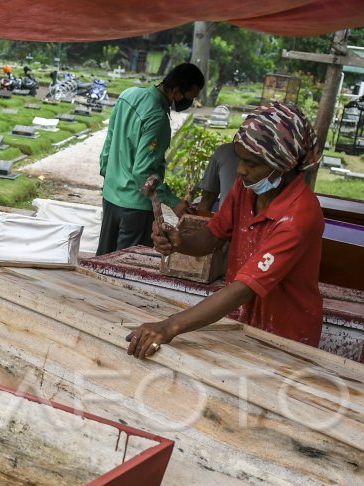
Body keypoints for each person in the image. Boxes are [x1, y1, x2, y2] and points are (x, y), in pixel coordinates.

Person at [126, 101, 325, 358]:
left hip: (286, 335)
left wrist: (168, 327)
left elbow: (244, 288)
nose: (241, 170)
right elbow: (212, 236)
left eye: (252, 163)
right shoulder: (246, 189)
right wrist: (180, 241)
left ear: (283, 164)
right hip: (242, 323)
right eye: (239, 158)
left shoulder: (300, 214)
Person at [96, 63, 205, 255]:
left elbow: (108, 145)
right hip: (134, 206)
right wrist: (173, 201)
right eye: (190, 96)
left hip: (111, 196)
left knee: (103, 258)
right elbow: (143, 172)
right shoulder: (158, 119)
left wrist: (110, 179)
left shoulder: (128, 95)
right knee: (126, 266)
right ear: (177, 91)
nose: (190, 101)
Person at [195, 140, 240, 214]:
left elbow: (208, 198)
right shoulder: (225, 151)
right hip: (225, 220)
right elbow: (208, 198)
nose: (241, 169)